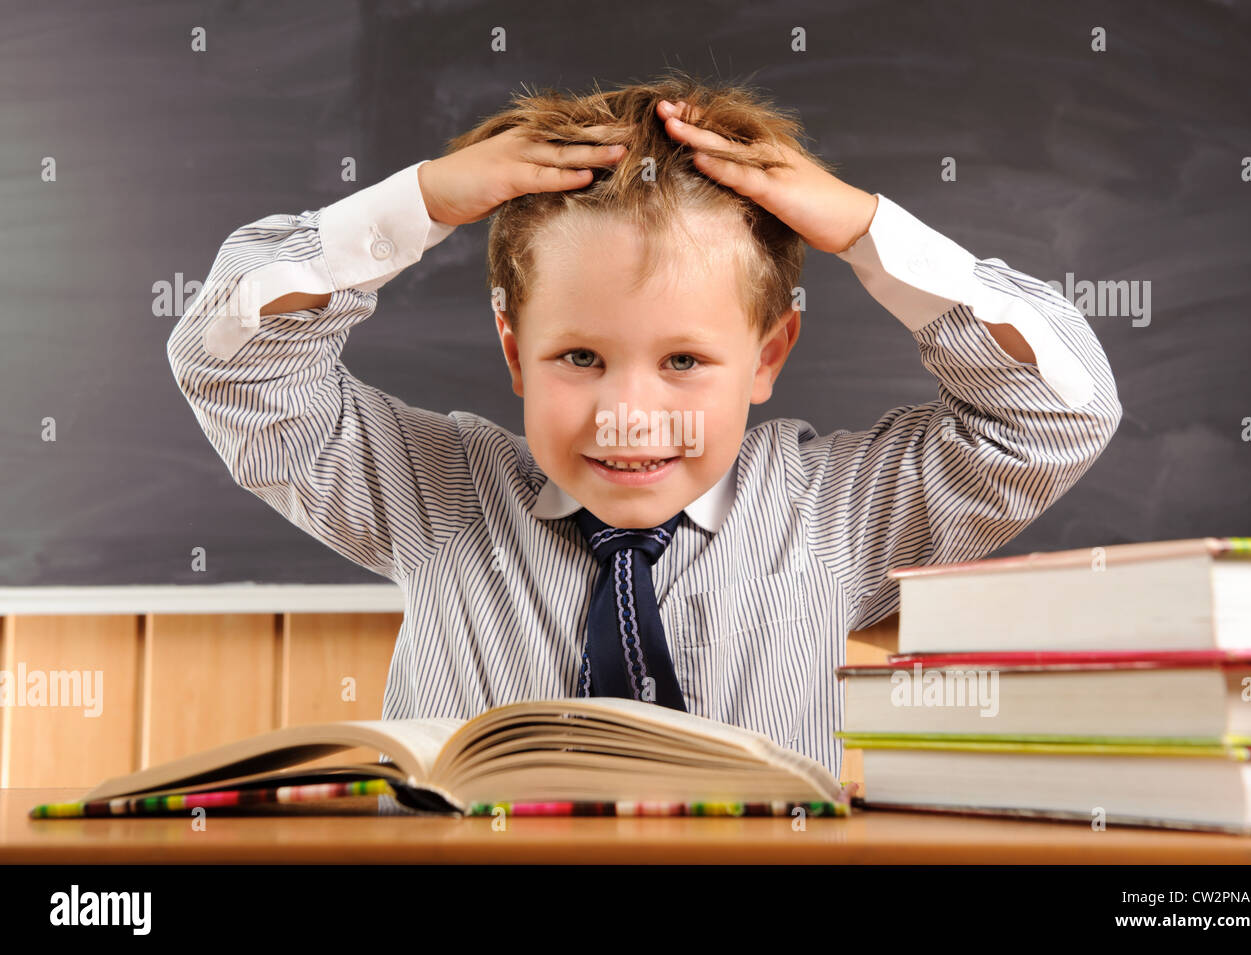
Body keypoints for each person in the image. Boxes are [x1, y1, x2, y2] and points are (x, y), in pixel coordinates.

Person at [166, 73, 1122, 780]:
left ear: (770, 355)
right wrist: (415, 203)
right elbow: (232, 359)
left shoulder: (838, 513)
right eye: (579, 358)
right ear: (513, 350)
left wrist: (867, 229)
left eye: (684, 360)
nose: (629, 413)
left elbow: (1056, 413)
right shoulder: (431, 493)